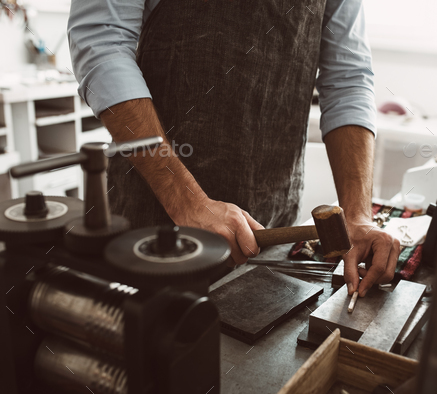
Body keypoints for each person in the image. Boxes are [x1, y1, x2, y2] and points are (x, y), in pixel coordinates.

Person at [68, 0, 400, 297]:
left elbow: (348, 79)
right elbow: (102, 45)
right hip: (153, 226)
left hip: (272, 230)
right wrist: (187, 201)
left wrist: (357, 215)